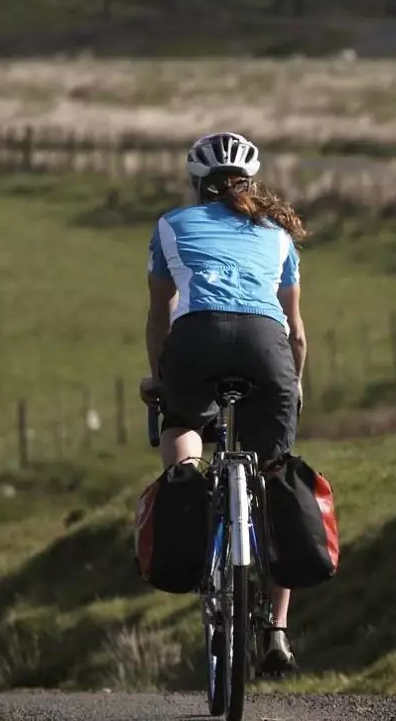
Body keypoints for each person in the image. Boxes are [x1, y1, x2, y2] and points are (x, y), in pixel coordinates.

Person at [141, 130, 309, 676]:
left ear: (197, 185)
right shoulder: (279, 234)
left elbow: (159, 315)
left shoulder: (170, 224)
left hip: (196, 340)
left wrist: (158, 379)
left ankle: (187, 471)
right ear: (250, 183)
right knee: (278, 480)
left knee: (185, 419)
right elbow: (298, 332)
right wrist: (293, 385)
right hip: (267, 347)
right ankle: (278, 631)